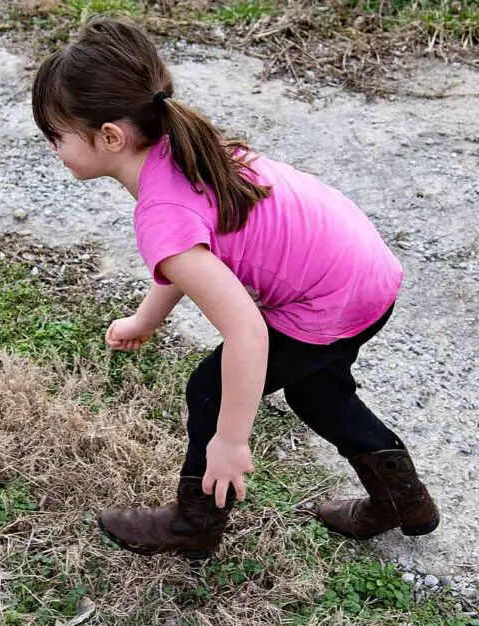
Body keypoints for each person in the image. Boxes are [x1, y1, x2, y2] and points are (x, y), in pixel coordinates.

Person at [30, 16, 439, 559]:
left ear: (110, 136)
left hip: (328, 295)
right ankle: (402, 500)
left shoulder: (161, 212)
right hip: (363, 272)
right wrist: (147, 319)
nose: (53, 149)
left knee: (210, 388)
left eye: (56, 136)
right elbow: (194, 258)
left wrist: (230, 440)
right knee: (318, 391)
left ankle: (194, 524)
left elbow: (247, 331)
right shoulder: (177, 143)